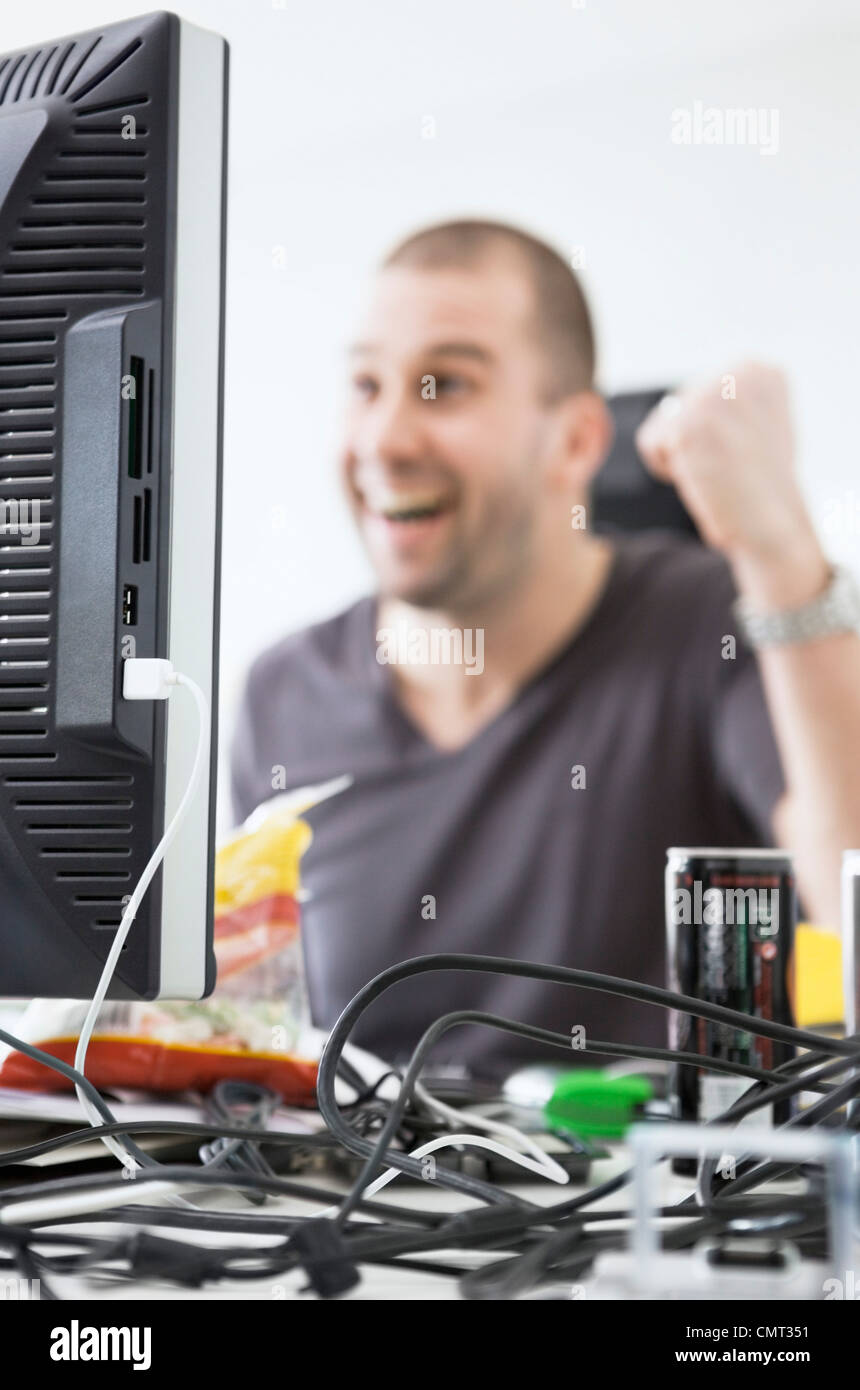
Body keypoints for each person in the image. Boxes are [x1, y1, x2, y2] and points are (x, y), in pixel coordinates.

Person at [231, 219, 860, 1080]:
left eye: (442, 385)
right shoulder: (283, 691)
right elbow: (249, 1030)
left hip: (635, 1204)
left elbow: (851, 902)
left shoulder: (713, 623)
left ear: (576, 442)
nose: (384, 440)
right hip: (348, 1199)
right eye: (367, 383)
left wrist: (782, 556)